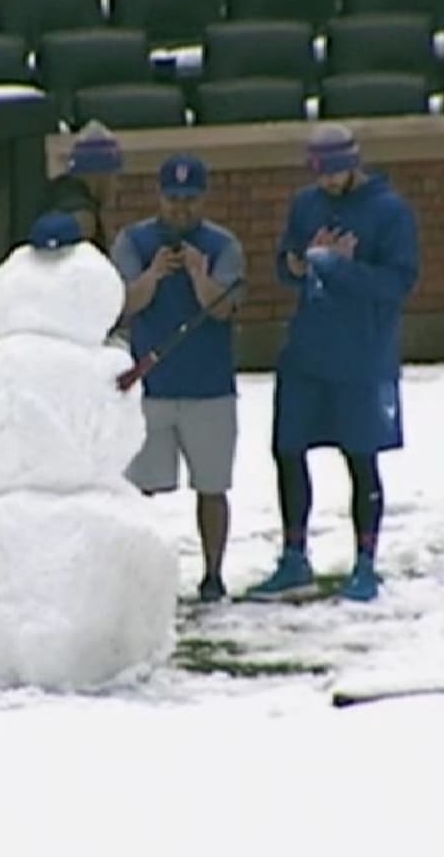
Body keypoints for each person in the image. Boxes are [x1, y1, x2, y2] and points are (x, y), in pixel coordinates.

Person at [245, 123, 418, 603]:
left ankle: (365, 563)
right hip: (307, 353)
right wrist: (297, 265)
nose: (326, 182)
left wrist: (340, 268)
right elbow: (287, 261)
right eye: (319, 173)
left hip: (363, 356)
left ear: (354, 164)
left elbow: (398, 282)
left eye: (335, 172)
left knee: (361, 457)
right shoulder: (307, 204)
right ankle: (294, 556)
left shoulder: (389, 212)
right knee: (288, 449)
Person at [110, 154, 245, 603]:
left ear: (202, 199)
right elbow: (126, 304)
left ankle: (212, 574)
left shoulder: (222, 245)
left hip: (209, 387)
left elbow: (221, 308)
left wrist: (197, 273)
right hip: (153, 388)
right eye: (173, 199)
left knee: (212, 486)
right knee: (140, 488)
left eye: (189, 200)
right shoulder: (133, 240)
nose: (180, 209)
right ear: (159, 197)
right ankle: (138, 576)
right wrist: (153, 275)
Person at [42, 120, 123, 251]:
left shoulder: (61, 192)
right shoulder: (82, 214)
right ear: (101, 173)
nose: (117, 186)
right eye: (115, 177)